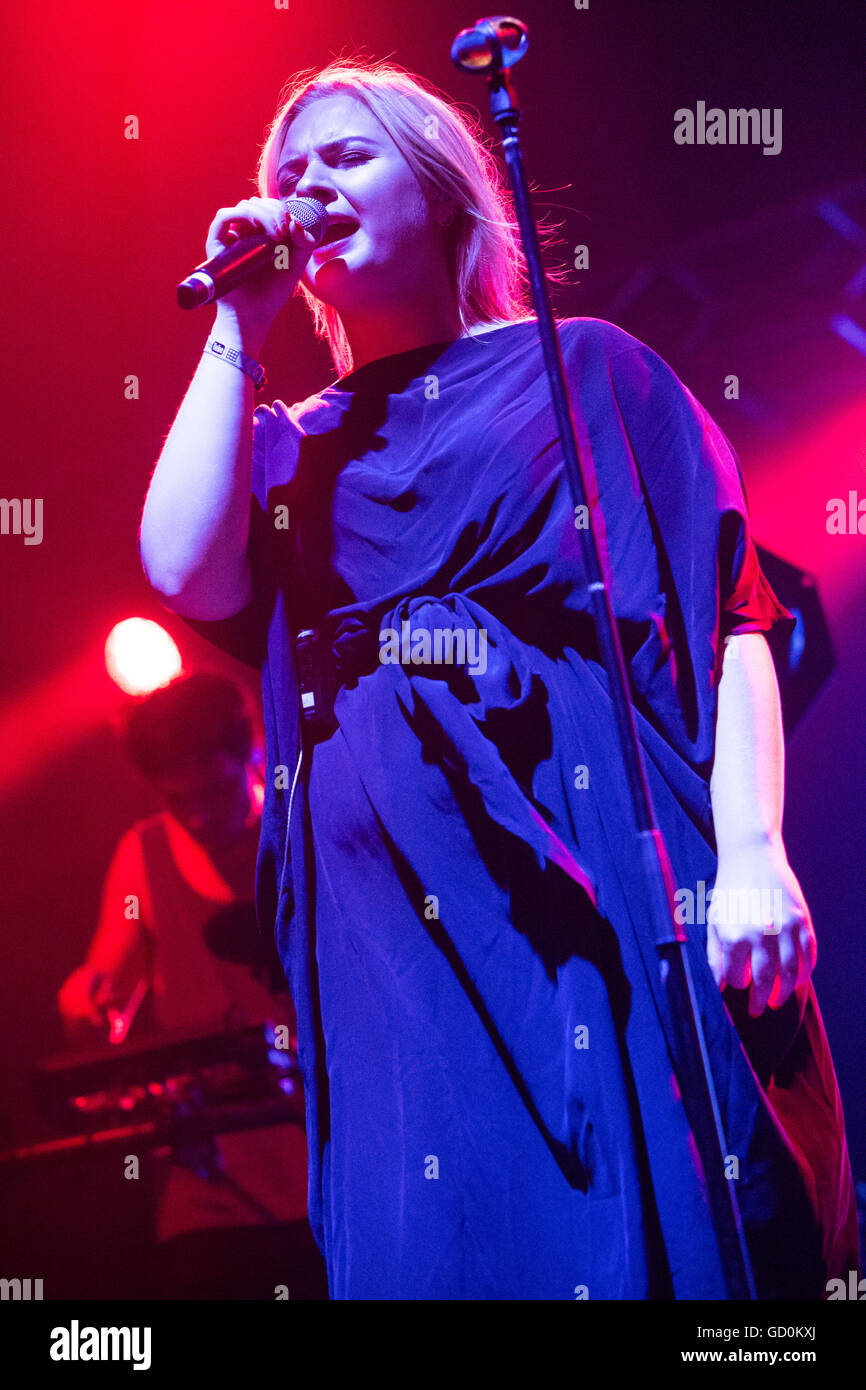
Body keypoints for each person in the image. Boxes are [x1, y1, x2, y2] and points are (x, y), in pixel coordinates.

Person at [139, 58, 859, 1300]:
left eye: (347, 157)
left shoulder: (585, 370)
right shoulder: (284, 446)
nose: (307, 185)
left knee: (640, 1216)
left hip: (583, 885)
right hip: (386, 951)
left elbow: (733, 616)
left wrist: (751, 848)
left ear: (446, 197)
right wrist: (231, 331)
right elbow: (180, 570)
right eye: (287, 172)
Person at [57, 672, 326, 1299]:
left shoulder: (306, 827)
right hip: (213, 1198)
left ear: (254, 753)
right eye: (179, 799)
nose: (199, 815)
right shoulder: (143, 852)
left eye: (214, 789)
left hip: (333, 1174)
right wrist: (84, 1002)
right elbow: (105, 988)